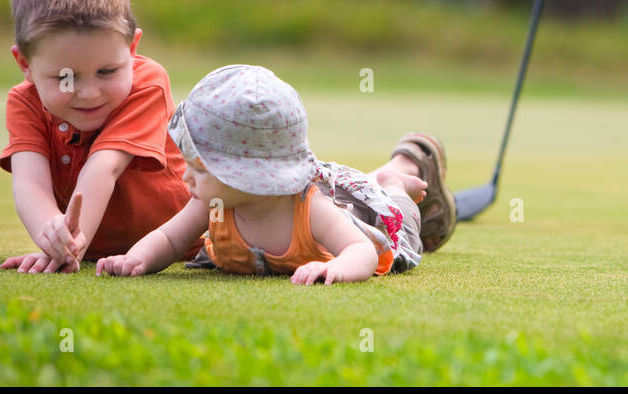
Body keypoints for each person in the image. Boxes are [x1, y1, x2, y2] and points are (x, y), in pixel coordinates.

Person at [96, 65, 456, 283]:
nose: (186, 179)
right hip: (330, 195)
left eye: (199, 169)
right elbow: (170, 240)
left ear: (247, 176)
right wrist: (136, 259)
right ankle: (378, 178)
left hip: (364, 219)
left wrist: (338, 270)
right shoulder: (213, 203)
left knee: (402, 233)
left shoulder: (308, 208)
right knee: (358, 191)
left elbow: (360, 249)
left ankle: (394, 180)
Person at [0, 0, 198, 274]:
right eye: (66, 77)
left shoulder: (146, 83)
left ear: (132, 49)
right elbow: (30, 183)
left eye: (107, 71)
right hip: (91, 252)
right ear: (25, 65)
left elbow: (105, 166)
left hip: (181, 245)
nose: (89, 92)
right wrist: (55, 238)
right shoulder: (23, 103)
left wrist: (73, 245)